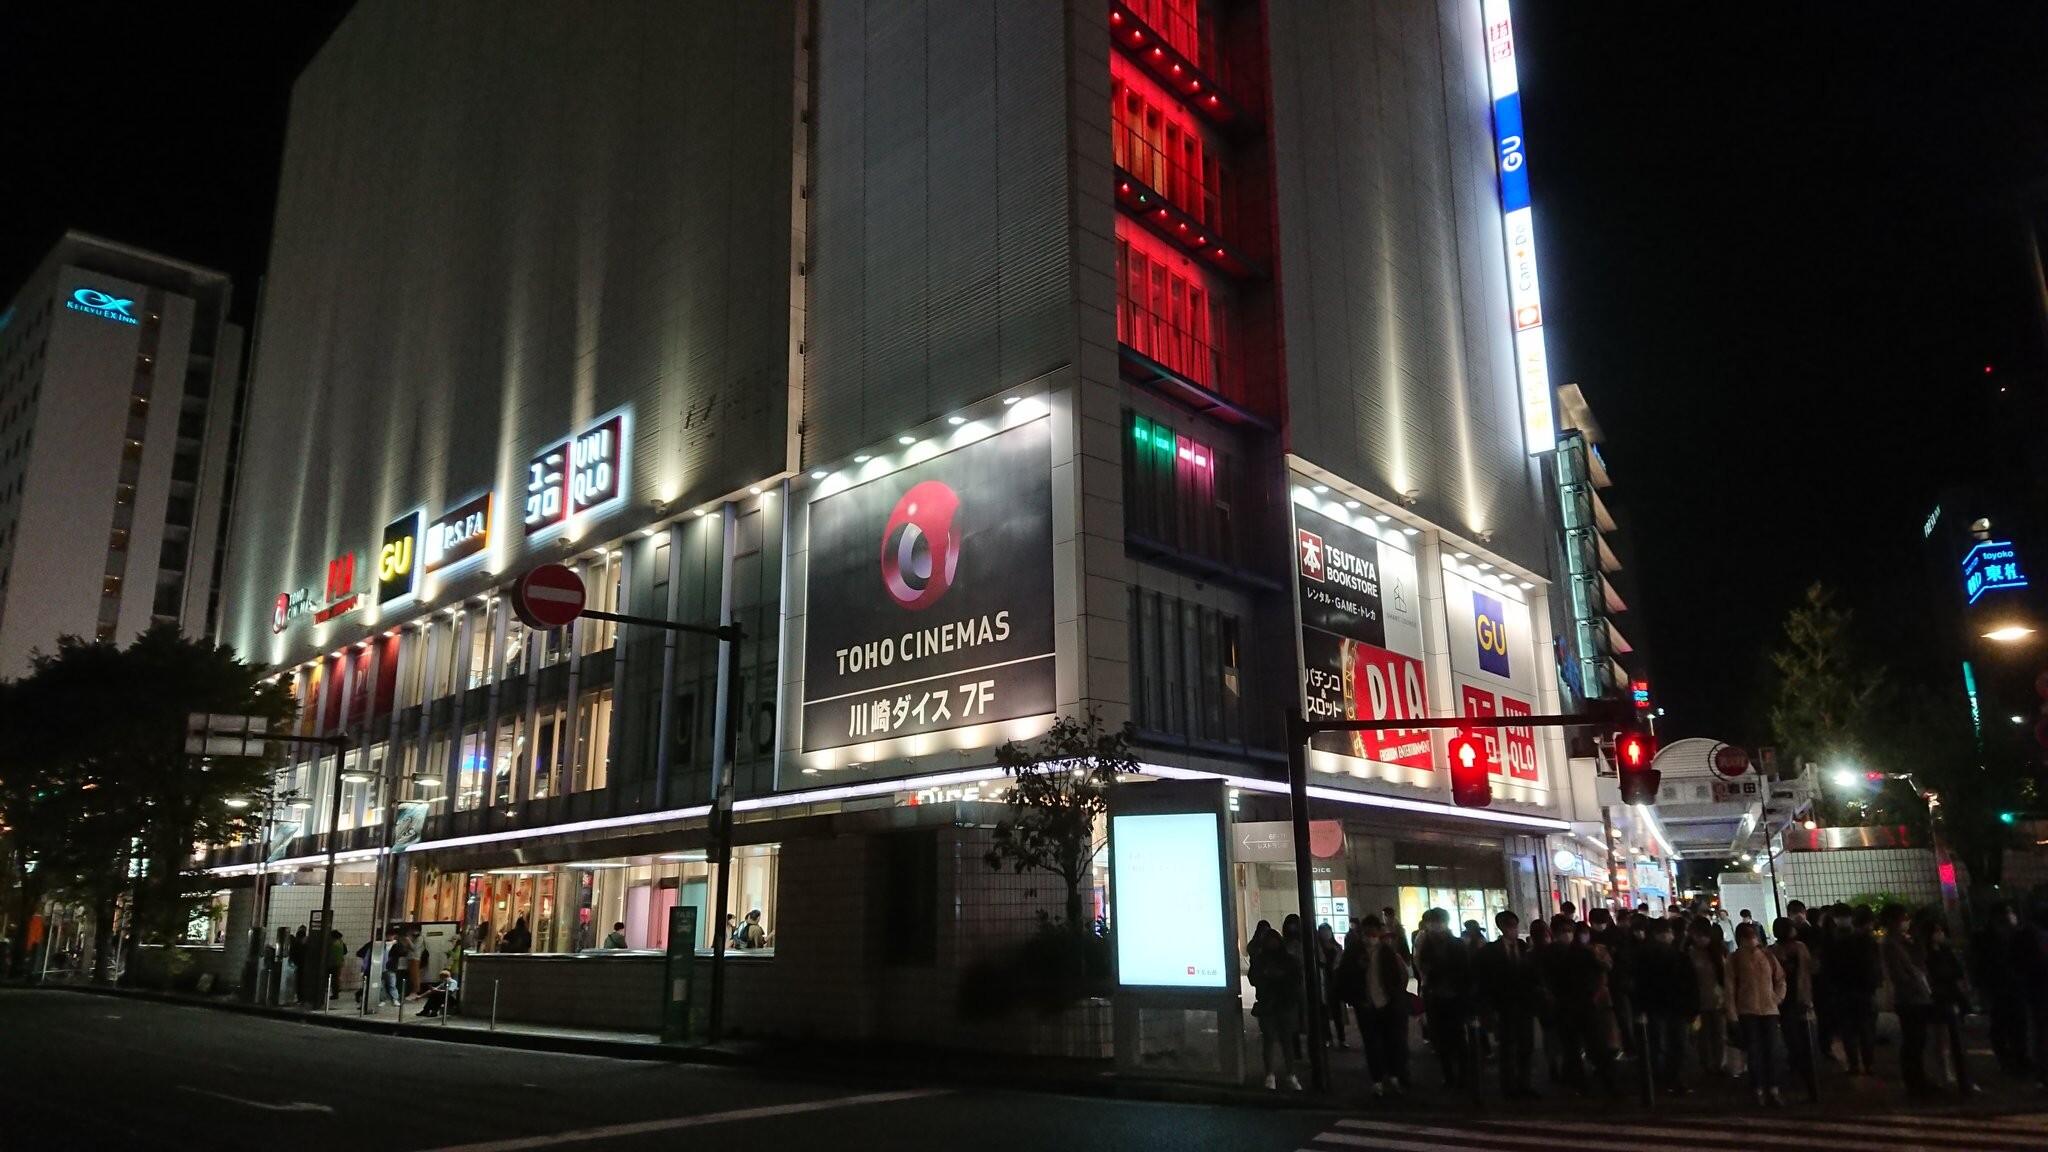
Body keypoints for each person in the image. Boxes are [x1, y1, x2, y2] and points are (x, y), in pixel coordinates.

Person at [1341, 915, 1411, 1096]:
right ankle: (1378, 1079)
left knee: (1391, 1040)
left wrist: (1394, 996)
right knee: (1372, 1043)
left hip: (1387, 1003)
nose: (1370, 936)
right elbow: (1345, 976)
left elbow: (1397, 976)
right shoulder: (1354, 952)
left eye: (1373, 932)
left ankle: (1393, 1075)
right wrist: (1355, 997)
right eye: (1367, 933)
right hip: (1366, 1004)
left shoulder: (1386, 952)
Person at [1477, 910, 1541, 1098]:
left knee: (1526, 1047)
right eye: (1509, 926)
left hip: (1524, 1005)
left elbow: (1532, 974)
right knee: (1507, 1048)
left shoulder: (1523, 947)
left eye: (1514, 925)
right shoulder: (1490, 951)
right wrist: (1488, 1008)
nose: (1513, 929)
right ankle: (1509, 1087)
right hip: (1504, 1006)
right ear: (1501, 927)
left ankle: (1525, 1084)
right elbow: (1486, 981)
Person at [1636, 917, 1698, 1095]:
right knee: (1673, 1044)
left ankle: (1663, 1079)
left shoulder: (1648, 957)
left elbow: (1640, 985)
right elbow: (1690, 984)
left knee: (1664, 1044)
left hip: (1662, 1007)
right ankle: (1672, 1079)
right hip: (1670, 1007)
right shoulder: (1676, 956)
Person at [1727, 921, 1786, 1105]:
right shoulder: (1735, 959)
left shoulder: (1768, 956)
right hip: (1747, 1010)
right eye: (1747, 935)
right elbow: (1730, 989)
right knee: (1755, 1052)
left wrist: (1777, 998)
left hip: (1769, 1009)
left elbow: (1780, 979)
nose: (1751, 938)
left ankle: (1773, 1088)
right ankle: (1759, 1088)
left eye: (1752, 934)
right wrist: (1732, 1015)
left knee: (1772, 1050)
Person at [1414, 908, 1473, 1089]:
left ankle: (1463, 1075)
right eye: (1432, 922)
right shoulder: (1424, 945)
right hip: (1435, 996)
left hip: (1454, 996)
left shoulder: (1456, 944)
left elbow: (1465, 971)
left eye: (1438, 922)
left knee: (1458, 1037)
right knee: (1440, 1038)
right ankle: (1448, 1075)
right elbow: (1420, 968)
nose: (1435, 926)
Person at [1880, 903, 1934, 1096]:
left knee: (1918, 1040)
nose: (1906, 922)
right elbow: (1899, 974)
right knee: (1913, 1040)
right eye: (1902, 918)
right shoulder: (1890, 944)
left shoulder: (1902, 941)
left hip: (1915, 996)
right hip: (1909, 998)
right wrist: (1914, 982)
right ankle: (1915, 1082)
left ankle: (1918, 1079)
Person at [1920, 910, 1975, 1094]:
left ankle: (1953, 1074)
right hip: (1938, 999)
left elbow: (1958, 973)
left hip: (1949, 997)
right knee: (1942, 1038)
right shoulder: (1926, 954)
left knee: (1952, 1038)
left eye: (1941, 930)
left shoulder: (1945, 951)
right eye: (1936, 931)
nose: (1940, 934)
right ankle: (1946, 1073)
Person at [1974, 904, 2031, 1077]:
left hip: (2014, 985)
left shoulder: (2016, 935)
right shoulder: (1985, 939)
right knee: (2001, 1024)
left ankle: (2020, 1059)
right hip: (1997, 987)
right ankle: (2008, 1060)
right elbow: (1980, 965)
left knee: (2019, 1024)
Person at [1249, 918, 1304, 1090]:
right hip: (1270, 1004)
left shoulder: (1286, 960)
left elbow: (1296, 979)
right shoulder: (1262, 959)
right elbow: (1253, 977)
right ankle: (1273, 1074)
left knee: (1284, 1040)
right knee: (1271, 1040)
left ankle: (1288, 1074)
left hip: (1282, 1004)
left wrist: (1273, 976)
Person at [1770, 915, 1818, 1100]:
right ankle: (1803, 1077)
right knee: (1797, 1042)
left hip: (1796, 1000)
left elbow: (1808, 971)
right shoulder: (1776, 951)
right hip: (1789, 1001)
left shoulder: (1796, 948)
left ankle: (1806, 1079)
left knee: (1801, 1042)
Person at [1838, 906, 1882, 1076]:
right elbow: (1873, 967)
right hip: (1865, 990)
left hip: (1845, 990)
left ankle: (1853, 1063)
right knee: (1867, 1028)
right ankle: (1868, 1063)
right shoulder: (1869, 942)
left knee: (1849, 1030)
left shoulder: (1842, 941)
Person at [1689, 919, 1729, 1078]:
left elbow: (1727, 977)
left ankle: (1719, 1064)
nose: (1698, 939)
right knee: (1702, 1035)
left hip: (1718, 1001)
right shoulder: (1690, 952)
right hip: (1699, 1001)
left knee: (1719, 1034)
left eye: (1701, 935)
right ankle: (1707, 1064)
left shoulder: (1719, 951)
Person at [1315, 922, 1347, 1049]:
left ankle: (1341, 1038)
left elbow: (1341, 964)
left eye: (1327, 931)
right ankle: (1328, 1038)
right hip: (1323, 981)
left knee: (1337, 1012)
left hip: (1335, 981)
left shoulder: (1337, 947)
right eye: (1323, 932)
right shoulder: (1317, 948)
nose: (1326, 934)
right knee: (1324, 1012)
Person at [385, 926, 417, 1006]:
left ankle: (396, 998)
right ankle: (395, 998)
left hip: (395, 965)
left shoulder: (397, 943)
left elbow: (403, 951)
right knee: (394, 982)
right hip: (396, 965)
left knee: (395, 982)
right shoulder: (399, 941)